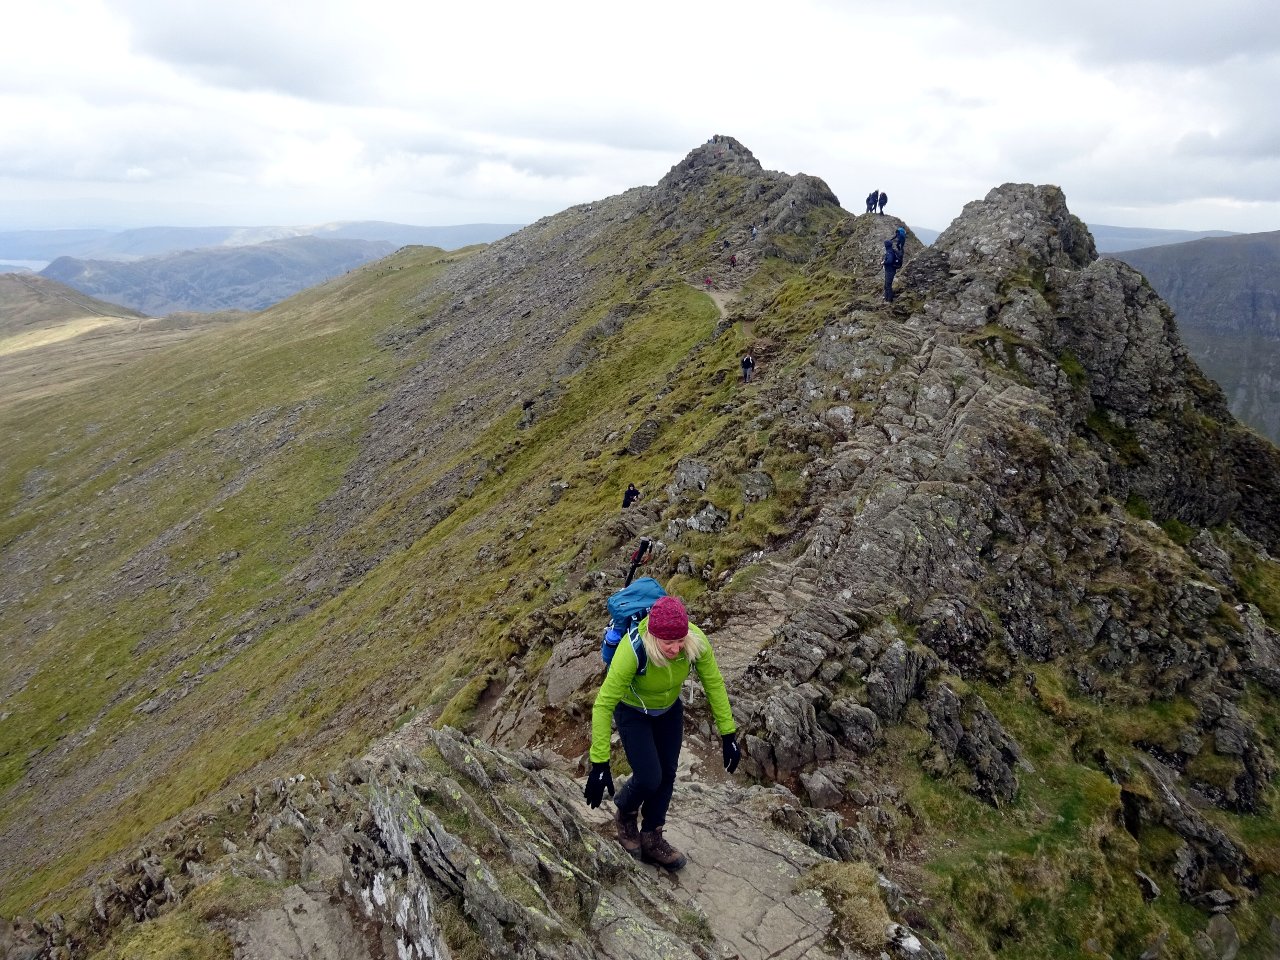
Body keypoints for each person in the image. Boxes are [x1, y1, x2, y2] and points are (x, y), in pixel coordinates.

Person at [583, 595, 740, 871]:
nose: (676, 648)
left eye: (680, 641)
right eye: (669, 643)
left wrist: (728, 734)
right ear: (654, 637)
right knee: (648, 777)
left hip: (668, 710)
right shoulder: (633, 650)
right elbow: (604, 703)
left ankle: (652, 835)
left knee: (667, 774)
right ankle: (626, 813)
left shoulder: (695, 641)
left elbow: (714, 683)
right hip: (632, 711)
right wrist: (599, 763)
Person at [882, 238, 901, 302]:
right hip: (890, 270)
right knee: (886, 285)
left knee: (888, 285)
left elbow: (889, 261)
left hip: (890, 270)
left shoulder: (889, 252)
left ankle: (889, 300)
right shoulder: (891, 250)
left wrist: (884, 262)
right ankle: (886, 298)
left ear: (886, 245)